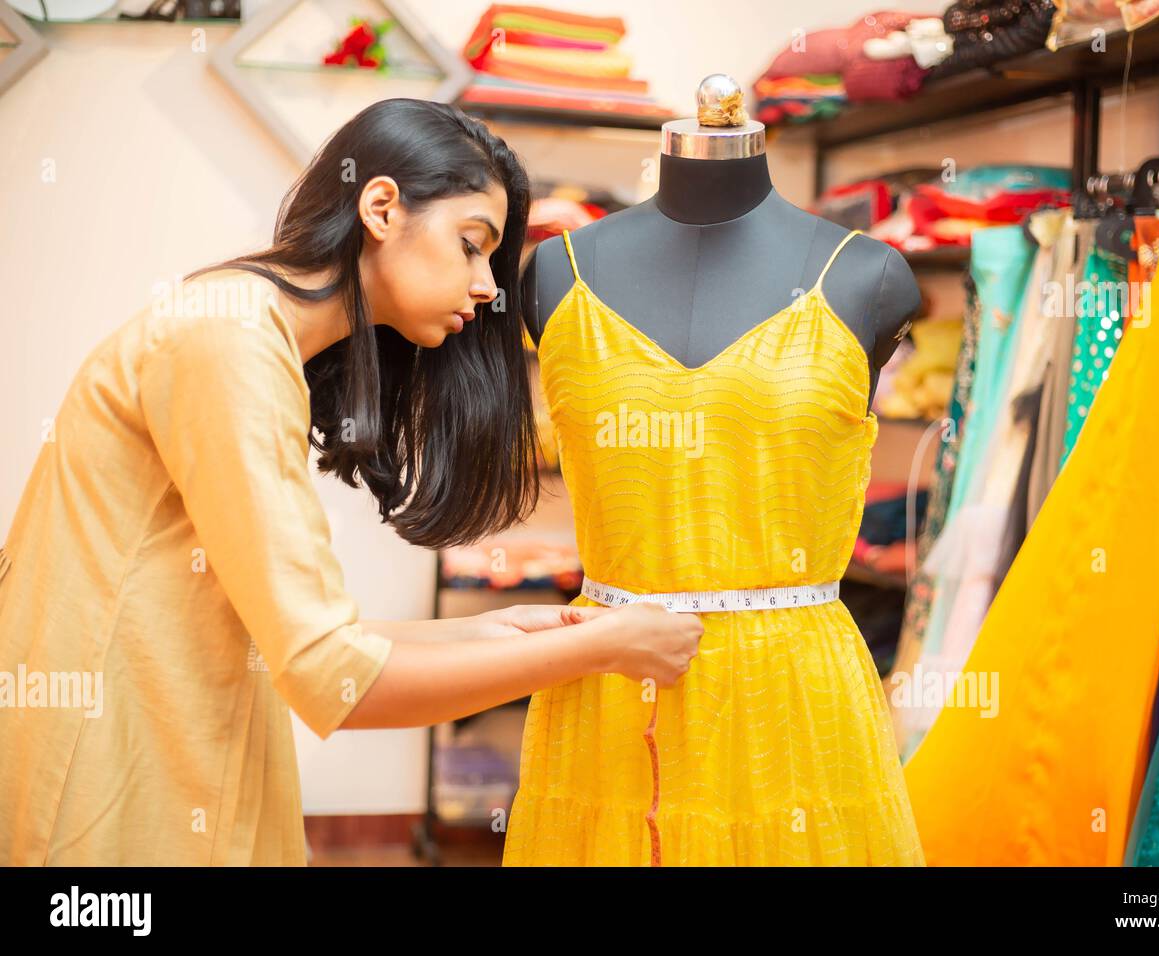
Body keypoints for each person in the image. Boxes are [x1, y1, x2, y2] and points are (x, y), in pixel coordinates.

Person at [0, 99, 702, 865]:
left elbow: (305, 641)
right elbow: (334, 678)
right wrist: (599, 652)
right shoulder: (227, 341)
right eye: (472, 247)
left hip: (167, 750)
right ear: (380, 207)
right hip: (110, 789)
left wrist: (503, 628)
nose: (483, 287)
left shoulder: (245, 332)